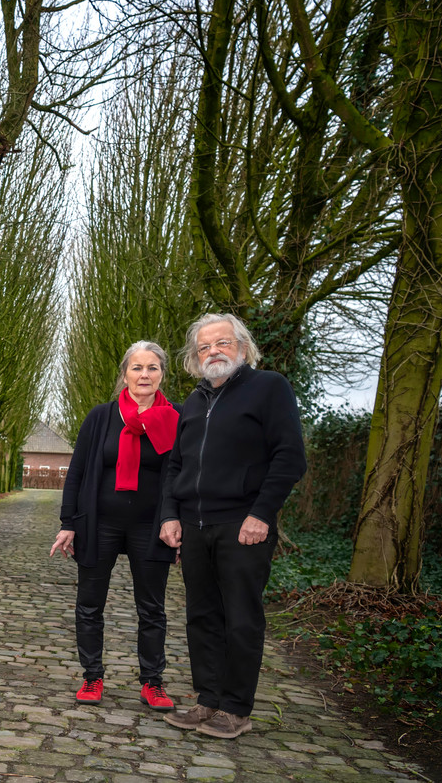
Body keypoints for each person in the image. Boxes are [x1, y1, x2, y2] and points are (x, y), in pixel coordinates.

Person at [159, 313, 306, 739]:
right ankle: (208, 701)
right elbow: (175, 466)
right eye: (204, 347)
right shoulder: (193, 401)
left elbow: (289, 457)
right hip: (194, 526)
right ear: (194, 357)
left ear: (242, 346)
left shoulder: (269, 388)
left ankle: (236, 709)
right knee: (202, 617)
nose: (213, 352)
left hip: (244, 525)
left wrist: (261, 513)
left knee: (241, 617)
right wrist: (170, 515)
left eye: (222, 343)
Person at [51, 341, 179, 711]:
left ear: (162, 375)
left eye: (152, 368)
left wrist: (179, 522)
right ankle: (92, 676)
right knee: (89, 604)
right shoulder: (101, 417)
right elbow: (76, 472)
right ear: (125, 374)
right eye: (137, 368)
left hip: (151, 526)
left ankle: (152, 683)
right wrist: (68, 522)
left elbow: (183, 475)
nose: (144, 375)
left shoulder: (177, 418)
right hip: (99, 523)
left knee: (152, 609)